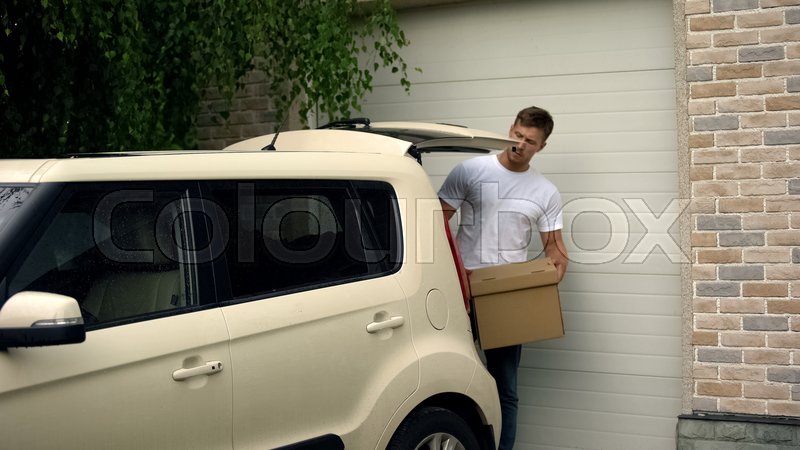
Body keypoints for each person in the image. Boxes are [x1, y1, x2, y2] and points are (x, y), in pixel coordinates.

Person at [438, 106, 568, 449]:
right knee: (451, 380)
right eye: (518, 135)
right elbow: (436, 225)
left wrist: (549, 276)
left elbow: (556, 251)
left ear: (541, 147)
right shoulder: (470, 171)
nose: (520, 144)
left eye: (530, 142)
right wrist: (452, 271)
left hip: (507, 298)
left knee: (504, 388)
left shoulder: (545, 191)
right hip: (460, 291)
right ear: (510, 129)